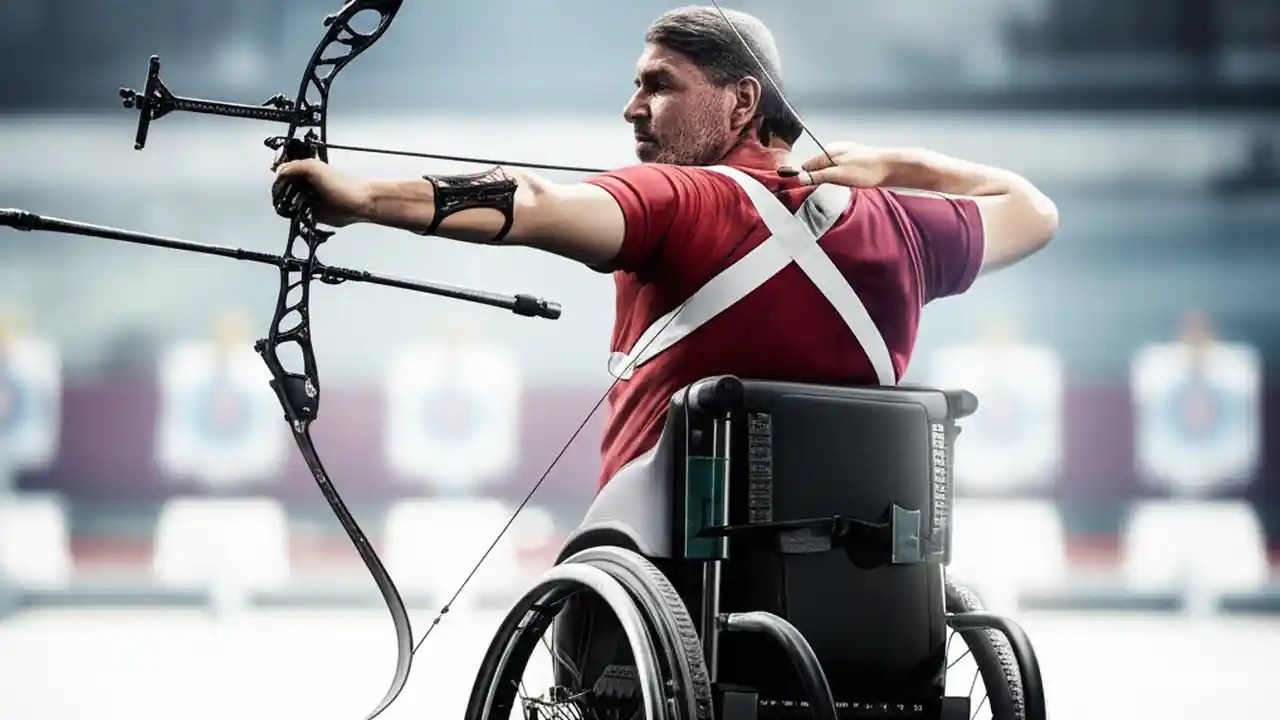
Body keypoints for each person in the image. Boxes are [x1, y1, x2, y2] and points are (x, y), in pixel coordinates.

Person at [272, 5, 1058, 492]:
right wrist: (899, 166)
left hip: (666, 571)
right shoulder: (902, 228)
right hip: (855, 595)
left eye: (659, 84)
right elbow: (1032, 211)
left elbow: (532, 202)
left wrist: (363, 198)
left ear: (743, 101)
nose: (632, 107)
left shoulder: (682, 201)